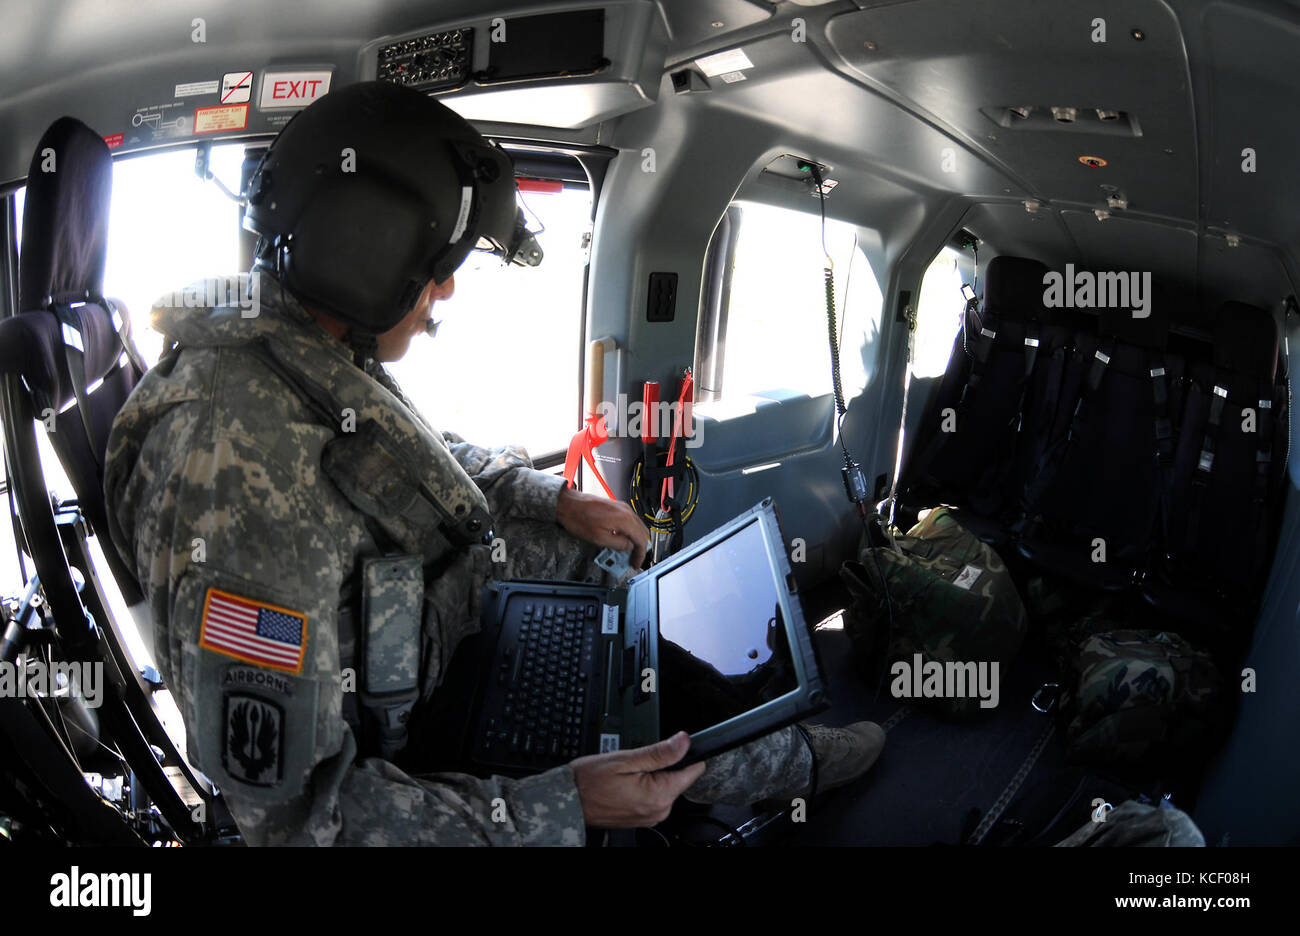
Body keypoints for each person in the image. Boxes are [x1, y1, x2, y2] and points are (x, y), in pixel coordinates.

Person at [103, 80, 885, 845]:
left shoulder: (300, 349)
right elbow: (298, 823)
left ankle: (741, 725)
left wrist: (552, 499)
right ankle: (788, 764)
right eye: (436, 266)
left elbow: (409, 454)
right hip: (407, 731)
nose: (445, 290)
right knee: (635, 703)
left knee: (616, 591)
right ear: (366, 253)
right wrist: (559, 807)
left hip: (426, 627)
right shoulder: (232, 469)